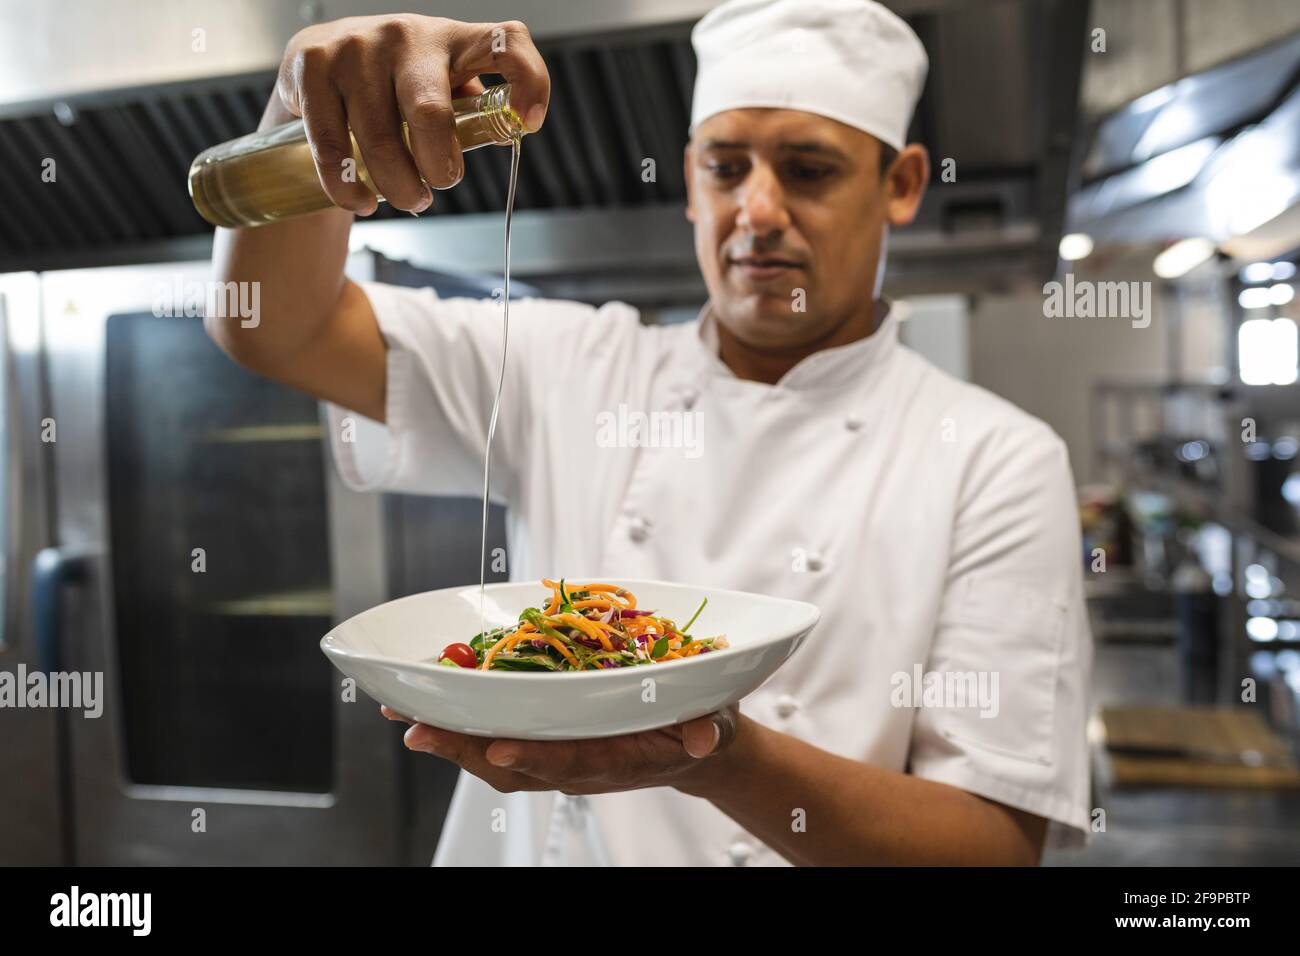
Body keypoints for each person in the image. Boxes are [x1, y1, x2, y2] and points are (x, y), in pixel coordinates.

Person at [208, 0, 1091, 866]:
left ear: (900, 186)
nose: (758, 210)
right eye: (726, 166)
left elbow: (990, 847)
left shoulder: (993, 458)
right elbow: (275, 325)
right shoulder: (577, 364)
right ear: (689, 180)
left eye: (810, 170)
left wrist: (719, 756)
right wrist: (304, 115)